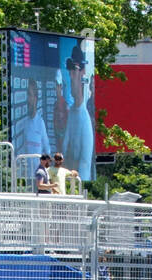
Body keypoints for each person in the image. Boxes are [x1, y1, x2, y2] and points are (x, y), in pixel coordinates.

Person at [59, 43, 93, 181]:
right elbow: (63, 154)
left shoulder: (85, 121)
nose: (71, 78)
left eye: (74, 71)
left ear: (82, 73)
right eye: (69, 72)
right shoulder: (72, 112)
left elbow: (83, 166)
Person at [18, 80, 50, 160]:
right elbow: (24, 149)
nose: (27, 99)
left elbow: (47, 149)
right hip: (27, 171)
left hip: (38, 171)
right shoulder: (25, 123)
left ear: (35, 98)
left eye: (29, 94)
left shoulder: (40, 123)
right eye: (27, 95)